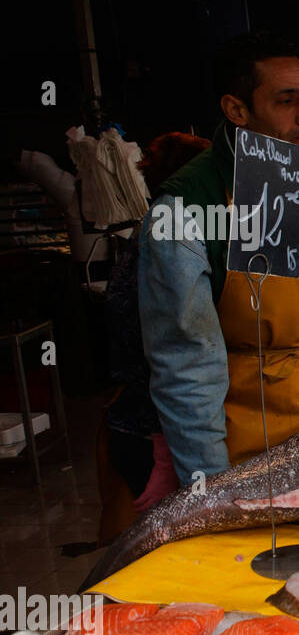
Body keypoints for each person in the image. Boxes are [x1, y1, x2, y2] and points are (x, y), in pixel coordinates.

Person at [136, 31, 299, 490]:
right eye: (287, 100)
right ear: (236, 110)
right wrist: (213, 489)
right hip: (263, 454)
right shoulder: (186, 210)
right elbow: (185, 366)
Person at [99, 132, 210, 543]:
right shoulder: (169, 240)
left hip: (129, 420)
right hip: (155, 431)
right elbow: (174, 353)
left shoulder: (149, 233)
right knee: (151, 549)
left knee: (135, 541)